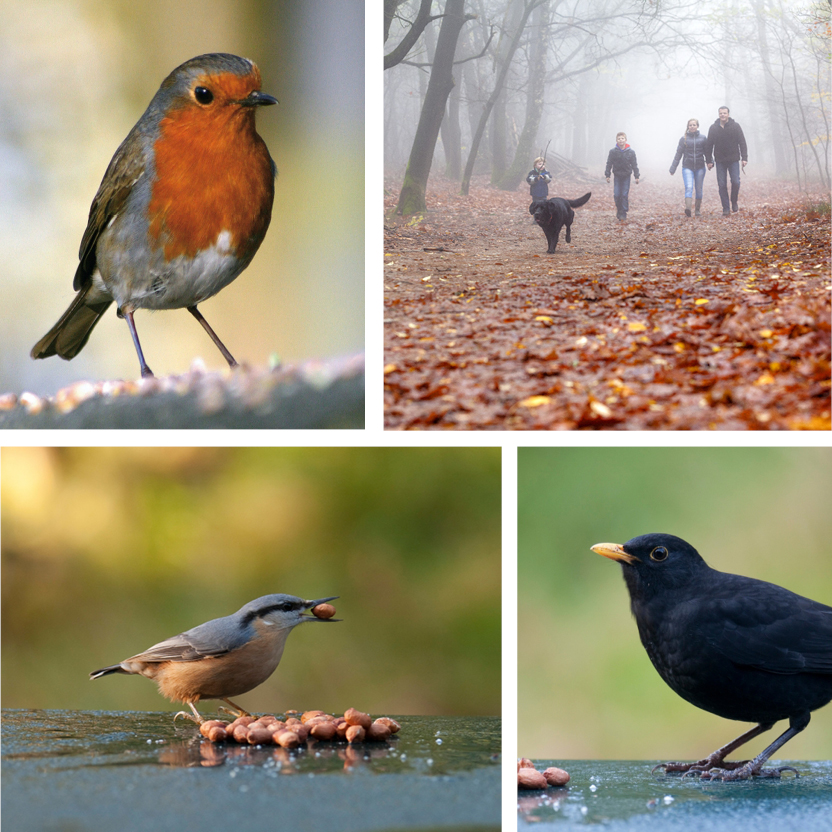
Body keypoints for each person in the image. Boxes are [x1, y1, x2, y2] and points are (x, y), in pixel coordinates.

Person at [704, 106, 747, 216]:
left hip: (733, 159)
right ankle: (726, 208)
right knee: (722, 184)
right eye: (721, 113)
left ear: (728, 114)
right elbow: (708, 145)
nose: (722, 115)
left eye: (724, 113)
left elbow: (742, 142)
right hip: (720, 161)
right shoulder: (713, 128)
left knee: (736, 182)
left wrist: (744, 158)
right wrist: (709, 161)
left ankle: (734, 201)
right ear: (718, 114)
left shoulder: (735, 126)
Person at [669, 118, 708, 217]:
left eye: (694, 125)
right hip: (687, 167)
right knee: (689, 187)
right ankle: (688, 209)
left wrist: (710, 162)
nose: (692, 127)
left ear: (697, 126)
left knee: (698, 188)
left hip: (700, 167)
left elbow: (707, 152)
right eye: (690, 125)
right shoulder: (684, 139)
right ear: (688, 127)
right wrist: (673, 168)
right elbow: (678, 154)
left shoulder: (703, 138)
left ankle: (698, 210)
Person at [604, 132, 640, 220]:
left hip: (626, 176)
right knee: (617, 194)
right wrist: (607, 175)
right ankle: (619, 209)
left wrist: (637, 176)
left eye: (622, 138)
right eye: (619, 139)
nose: (621, 140)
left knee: (624, 194)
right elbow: (609, 163)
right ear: (616, 141)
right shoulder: (613, 152)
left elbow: (634, 164)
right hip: (617, 176)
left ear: (625, 140)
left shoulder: (631, 152)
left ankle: (623, 212)